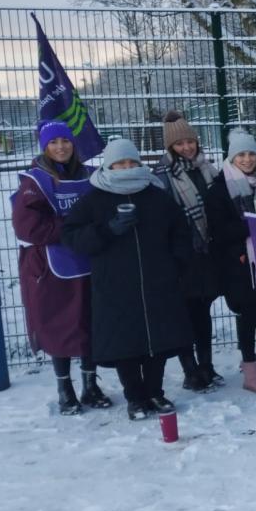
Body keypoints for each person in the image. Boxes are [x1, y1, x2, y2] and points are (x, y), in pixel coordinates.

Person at [62, 138, 191, 420]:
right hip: (115, 285)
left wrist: (177, 262)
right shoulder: (94, 199)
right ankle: (135, 397)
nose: (127, 168)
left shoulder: (156, 195)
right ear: (109, 165)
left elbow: (180, 230)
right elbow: (72, 236)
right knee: (126, 345)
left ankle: (155, 392)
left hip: (158, 281)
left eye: (132, 162)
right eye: (120, 163)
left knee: (159, 342)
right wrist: (107, 229)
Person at [12, 121, 112, 415]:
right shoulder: (35, 181)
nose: (61, 147)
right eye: (53, 142)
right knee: (60, 326)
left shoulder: (90, 176)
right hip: (52, 267)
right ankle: (65, 389)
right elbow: (27, 226)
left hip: (90, 260)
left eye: (66, 142)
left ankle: (91, 386)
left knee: (90, 324)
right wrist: (71, 227)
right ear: (44, 147)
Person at [205, 128, 256, 393]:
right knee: (248, 315)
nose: (248, 159)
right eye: (241, 154)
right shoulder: (219, 189)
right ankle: (250, 368)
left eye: (252, 153)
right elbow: (217, 230)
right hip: (238, 263)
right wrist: (252, 226)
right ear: (231, 158)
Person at [152, 110, 222, 392]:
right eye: (180, 144)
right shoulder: (162, 175)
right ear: (170, 147)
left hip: (207, 251)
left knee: (203, 311)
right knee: (185, 314)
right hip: (182, 254)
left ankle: (207, 364)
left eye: (190, 141)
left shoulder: (207, 169)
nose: (187, 147)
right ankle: (190, 369)